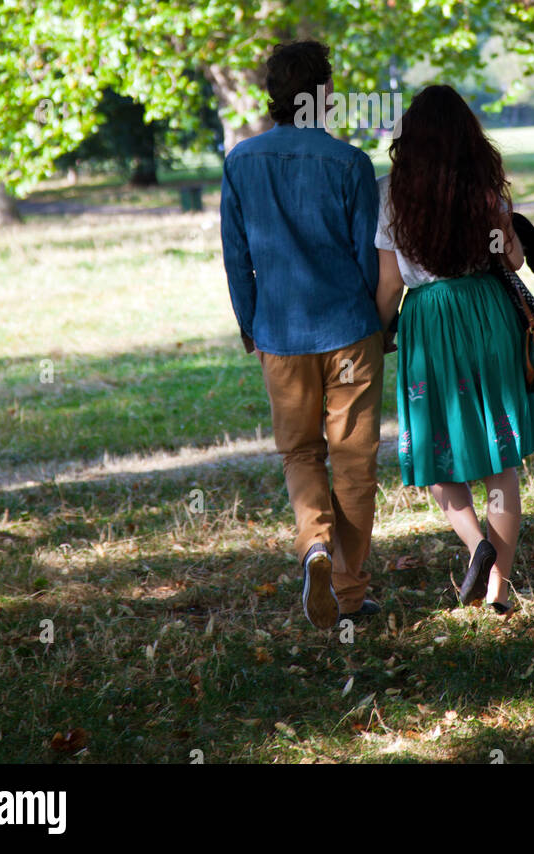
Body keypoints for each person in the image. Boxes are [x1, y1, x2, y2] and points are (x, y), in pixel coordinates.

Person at [374, 84, 534, 612]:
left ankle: (475, 543)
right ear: (467, 136)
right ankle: (499, 591)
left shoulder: (391, 194)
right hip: (487, 315)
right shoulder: (485, 190)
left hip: (429, 322)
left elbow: (390, 285)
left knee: (438, 455)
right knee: (500, 459)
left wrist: (378, 334)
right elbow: (515, 263)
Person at [220, 40, 385, 631]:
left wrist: (251, 325)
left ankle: (313, 544)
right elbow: (371, 257)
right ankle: (348, 590)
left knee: (299, 453)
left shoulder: (241, 162)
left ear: (273, 95)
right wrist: (378, 324)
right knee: (355, 461)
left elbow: (237, 259)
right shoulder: (351, 163)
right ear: (326, 95)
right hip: (349, 328)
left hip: (281, 334)